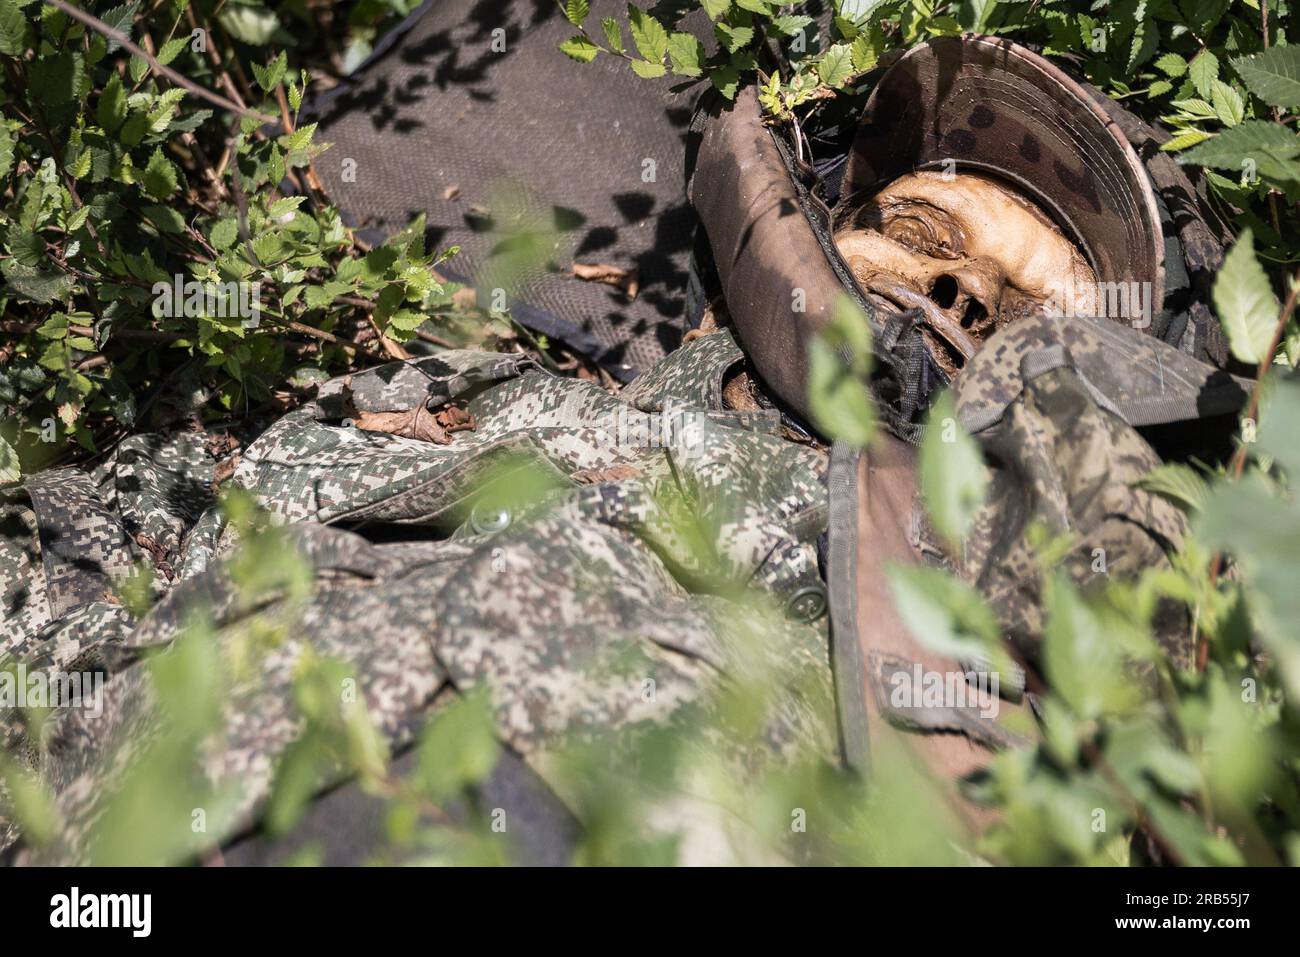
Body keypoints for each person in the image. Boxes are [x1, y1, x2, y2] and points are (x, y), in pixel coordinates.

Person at [0, 35, 1246, 866]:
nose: (955, 295)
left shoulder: (1035, 599)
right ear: (811, 215)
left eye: (1025, 316)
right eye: (921, 230)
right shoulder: (486, 395)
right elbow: (140, 527)